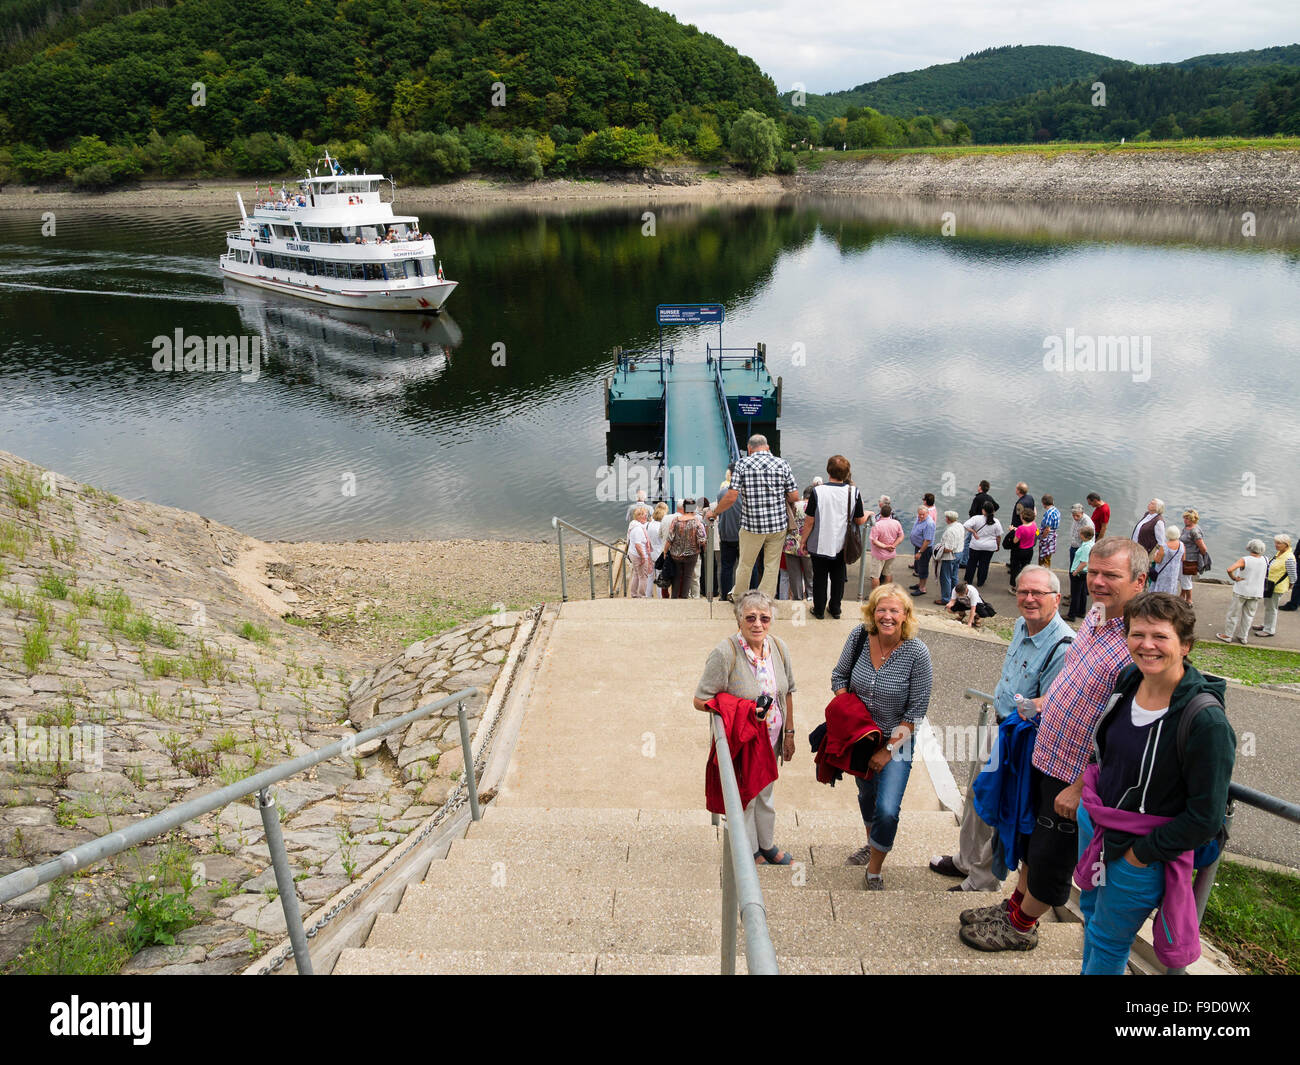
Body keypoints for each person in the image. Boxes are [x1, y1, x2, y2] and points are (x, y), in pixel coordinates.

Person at [959, 538, 1147, 952]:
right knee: (1031, 845)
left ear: (1139, 581)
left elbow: (1126, 734)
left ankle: (1021, 927)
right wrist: (1036, 705)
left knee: (1051, 857)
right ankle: (1014, 906)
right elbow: (1072, 684)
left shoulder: (1139, 641)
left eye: (1111, 575)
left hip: (1073, 775)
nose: (1097, 582)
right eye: (1093, 572)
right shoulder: (1096, 616)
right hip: (1045, 756)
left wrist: (1081, 786)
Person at [1074, 593, 1235, 975]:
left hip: (1139, 853)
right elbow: (1106, 751)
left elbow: (1205, 817)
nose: (1147, 645)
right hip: (1098, 829)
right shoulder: (1129, 679)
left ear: (1185, 645)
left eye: (1160, 636)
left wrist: (1141, 855)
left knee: (1108, 940)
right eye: (1138, 634)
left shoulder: (1206, 721)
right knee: (1091, 916)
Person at [930, 566, 1074, 892]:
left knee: (1000, 808)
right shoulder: (1022, 625)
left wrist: (1023, 714)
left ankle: (982, 880)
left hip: (1020, 742)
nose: (1029, 598)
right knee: (977, 796)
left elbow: (1051, 710)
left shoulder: (1063, 647)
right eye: (1023, 591)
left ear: (1056, 599)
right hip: (998, 726)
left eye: (1038, 593)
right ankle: (966, 860)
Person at [831, 585, 933, 887]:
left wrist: (887, 751)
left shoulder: (917, 653)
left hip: (898, 739)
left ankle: (874, 869)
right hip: (861, 738)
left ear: (905, 615)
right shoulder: (859, 637)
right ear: (872, 612)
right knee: (867, 795)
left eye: (894, 611)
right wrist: (850, 712)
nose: (887, 616)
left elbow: (916, 712)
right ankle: (871, 843)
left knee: (887, 809)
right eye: (881, 609)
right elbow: (839, 677)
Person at [693, 591, 797, 865]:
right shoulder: (724, 653)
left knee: (765, 793)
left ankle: (767, 844)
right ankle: (750, 851)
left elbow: (787, 692)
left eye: (764, 618)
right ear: (738, 620)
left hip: (771, 741)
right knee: (746, 797)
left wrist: (789, 734)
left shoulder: (779, 647)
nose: (758, 624)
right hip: (743, 742)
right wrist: (743, 710)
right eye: (750, 618)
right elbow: (701, 700)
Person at [707, 435, 797, 600]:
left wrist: (714, 513)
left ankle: (738, 596)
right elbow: (794, 496)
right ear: (767, 447)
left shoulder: (742, 464)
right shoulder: (782, 464)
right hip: (777, 525)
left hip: (752, 526)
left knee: (746, 564)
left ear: (749, 449)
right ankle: (765, 598)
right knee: (771, 565)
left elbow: (731, 496)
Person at [800, 455, 866, 620]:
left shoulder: (817, 491)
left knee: (819, 577)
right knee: (838, 576)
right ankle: (835, 608)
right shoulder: (853, 492)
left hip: (819, 543)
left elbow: (809, 522)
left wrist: (803, 541)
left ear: (828, 471)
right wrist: (869, 513)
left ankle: (819, 609)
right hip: (842, 543)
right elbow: (859, 520)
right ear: (846, 473)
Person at [1216, 540, 1267, 644]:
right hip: (1256, 592)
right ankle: (1243, 636)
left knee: (1233, 614)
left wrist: (1234, 578)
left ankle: (1228, 635)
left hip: (1241, 591)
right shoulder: (1265, 559)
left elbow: (1230, 569)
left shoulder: (1245, 560)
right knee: (1249, 615)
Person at [1255, 534, 1296, 637]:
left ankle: (1269, 630)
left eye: (1279, 543)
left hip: (1277, 587)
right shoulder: (1280, 554)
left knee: (1272, 608)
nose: (1276, 545)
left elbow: (1293, 576)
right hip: (1270, 585)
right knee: (1268, 606)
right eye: (1275, 543)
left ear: (1286, 544)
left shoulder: (1289, 558)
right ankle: (1266, 625)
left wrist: (1289, 586)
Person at [666, 499, 706, 600]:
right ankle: (684, 598)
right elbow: (702, 539)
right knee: (688, 576)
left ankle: (674, 597)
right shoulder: (696, 522)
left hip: (676, 554)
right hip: (692, 554)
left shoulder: (676, 520)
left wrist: (665, 551)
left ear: (683, 508)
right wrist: (704, 548)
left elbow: (670, 538)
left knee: (677, 576)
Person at [782, 488, 813, 601]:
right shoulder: (813, 507)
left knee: (794, 576)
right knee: (810, 575)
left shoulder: (794, 505)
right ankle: (810, 597)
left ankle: (797, 599)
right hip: (808, 546)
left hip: (790, 545)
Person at [962, 502, 1003, 588]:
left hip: (976, 545)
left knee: (972, 563)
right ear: (993, 511)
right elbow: (998, 536)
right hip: (990, 547)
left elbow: (965, 525)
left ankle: (968, 580)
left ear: (983, 510)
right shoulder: (996, 522)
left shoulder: (976, 518)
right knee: (984, 564)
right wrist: (998, 545)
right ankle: (980, 582)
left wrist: (973, 532)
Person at [868, 503, 904, 589]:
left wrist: (885, 547)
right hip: (891, 553)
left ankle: (876, 594)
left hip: (879, 555)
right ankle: (887, 592)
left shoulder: (877, 525)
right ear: (890, 513)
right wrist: (893, 546)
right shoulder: (896, 523)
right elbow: (901, 536)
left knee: (875, 576)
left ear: (880, 513)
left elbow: (874, 541)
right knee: (888, 573)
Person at [1177, 509, 1209, 604]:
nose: (1185, 520)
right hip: (1183, 557)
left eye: (1187, 518)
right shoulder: (1186, 528)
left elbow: (1203, 548)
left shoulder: (1194, 531)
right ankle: (1182, 595)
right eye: (1184, 518)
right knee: (1183, 578)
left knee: (1186, 579)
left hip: (1190, 559)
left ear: (1193, 519)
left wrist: (1198, 557)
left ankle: (1189, 600)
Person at [932, 511, 964, 604]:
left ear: (948, 519)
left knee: (945, 577)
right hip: (959, 553)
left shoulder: (950, 531)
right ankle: (956, 595)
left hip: (950, 557)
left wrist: (937, 549)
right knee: (954, 576)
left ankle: (946, 598)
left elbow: (949, 548)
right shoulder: (960, 526)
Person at [1066, 526, 1095, 621]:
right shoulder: (1090, 544)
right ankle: (1081, 611)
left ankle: (1071, 615)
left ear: (1083, 535)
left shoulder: (1086, 547)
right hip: (1084, 573)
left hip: (1079, 573)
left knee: (1075, 594)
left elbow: (1084, 562)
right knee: (1082, 592)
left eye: (1080, 533)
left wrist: (1075, 571)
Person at [907, 504, 935, 597]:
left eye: (923, 514)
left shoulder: (929, 524)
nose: (921, 516)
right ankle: (920, 584)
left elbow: (927, 540)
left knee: (923, 569)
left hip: (924, 549)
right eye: (919, 514)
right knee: (919, 567)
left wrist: (920, 552)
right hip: (918, 547)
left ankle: (922, 588)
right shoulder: (919, 519)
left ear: (928, 513)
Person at [627, 505, 654, 597]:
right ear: (638, 516)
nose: (646, 517)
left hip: (633, 553)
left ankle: (634, 593)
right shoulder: (638, 529)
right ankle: (642, 595)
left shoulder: (634, 525)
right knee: (643, 576)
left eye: (646, 515)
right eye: (644, 515)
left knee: (636, 574)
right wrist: (643, 557)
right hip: (638, 555)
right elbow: (638, 545)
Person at [1150, 525, 1184, 595]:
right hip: (1174, 573)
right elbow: (1183, 558)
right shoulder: (1181, 545)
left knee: (1160, 589)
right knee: (1171, 589)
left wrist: (1155, 555)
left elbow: (1158, 560)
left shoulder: (1164, 546)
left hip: (1162, 573)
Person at [1009, 505, 1037, 589]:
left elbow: (1015, 541)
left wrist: (1012, 531)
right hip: (1030, 550)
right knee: (1025, 568)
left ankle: (1015, 586)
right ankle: (1025, 583)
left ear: (1022, 518)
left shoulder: (1020, 528)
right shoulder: (1034, 525)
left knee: (1015, 568)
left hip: (1020, 551)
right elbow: (1037, 533)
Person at [1068, 504, 1095, 574]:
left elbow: (1091, 538)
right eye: (1073, 515)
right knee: (1072, 568)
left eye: (1077, 516)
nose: (1075, 518)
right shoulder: (1076, 518)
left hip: (1081, 549)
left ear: (1082, 513)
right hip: (1074, 546)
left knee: (1077, 571)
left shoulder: (1087, 523)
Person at [1037, 494, 1060, 569]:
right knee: (1048, 556)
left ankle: (1042, 571)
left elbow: (1047, 529)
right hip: (1052, 537)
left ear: (1043, 503)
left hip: (1047, 538)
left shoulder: (1048, 513)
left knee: (1043, 556)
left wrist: (1042, 537)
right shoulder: (1056, 510)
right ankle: (1046, 570)